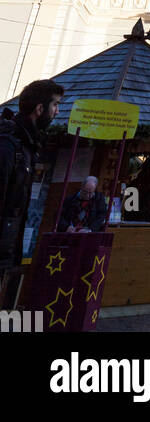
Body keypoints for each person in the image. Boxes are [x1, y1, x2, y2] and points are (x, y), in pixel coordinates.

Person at [0, 78, 63, 303]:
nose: (57, 112)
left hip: (6, 249)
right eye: (55, 105)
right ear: (39, 109)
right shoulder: (8, 144)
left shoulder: (26, 145)